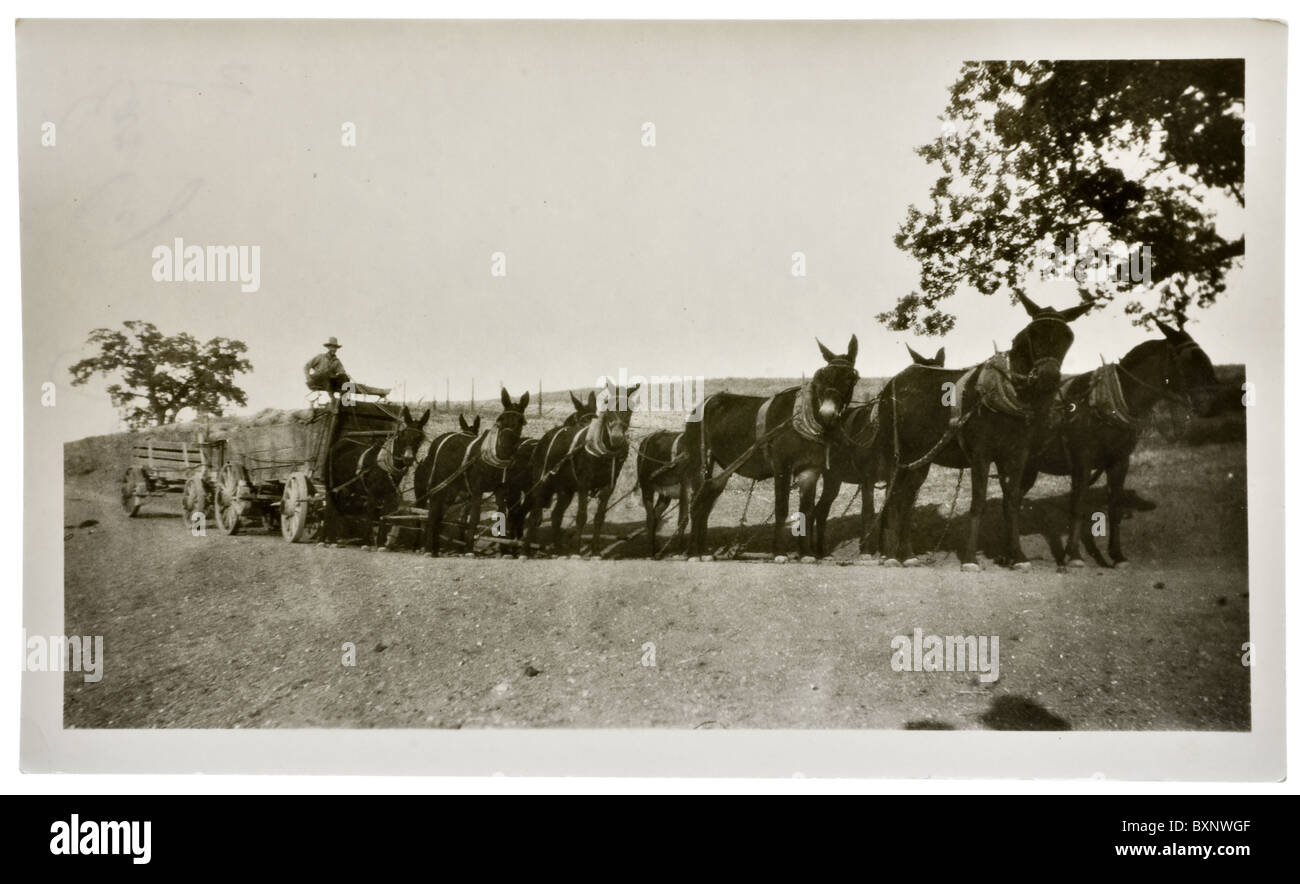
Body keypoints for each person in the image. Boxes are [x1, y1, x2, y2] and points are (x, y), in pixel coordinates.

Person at [304, 337, 390, 399]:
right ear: (328, 347)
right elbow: (306, 366)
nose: (333, 349)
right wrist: (308, 377)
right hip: (317, 379)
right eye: (332, 347)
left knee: (344, 378)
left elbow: (342, 372)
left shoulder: (337, 361)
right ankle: (332, 398)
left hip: (329, 382)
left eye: (335, 348)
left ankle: (344, 401)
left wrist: (344, 376)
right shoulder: (320, 357)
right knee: (325, 374)